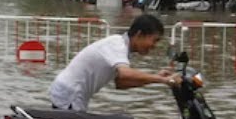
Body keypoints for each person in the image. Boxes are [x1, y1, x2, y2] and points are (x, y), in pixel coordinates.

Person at [48, 13, 180, 112]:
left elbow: (121, 83)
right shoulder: (117, 45)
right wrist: (163, 80)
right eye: (154, 40)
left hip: (70, 92)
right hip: (70, 94)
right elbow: (125, 74)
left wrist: (157, 78)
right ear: (139, 34)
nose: (154, 46)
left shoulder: (122, 48)